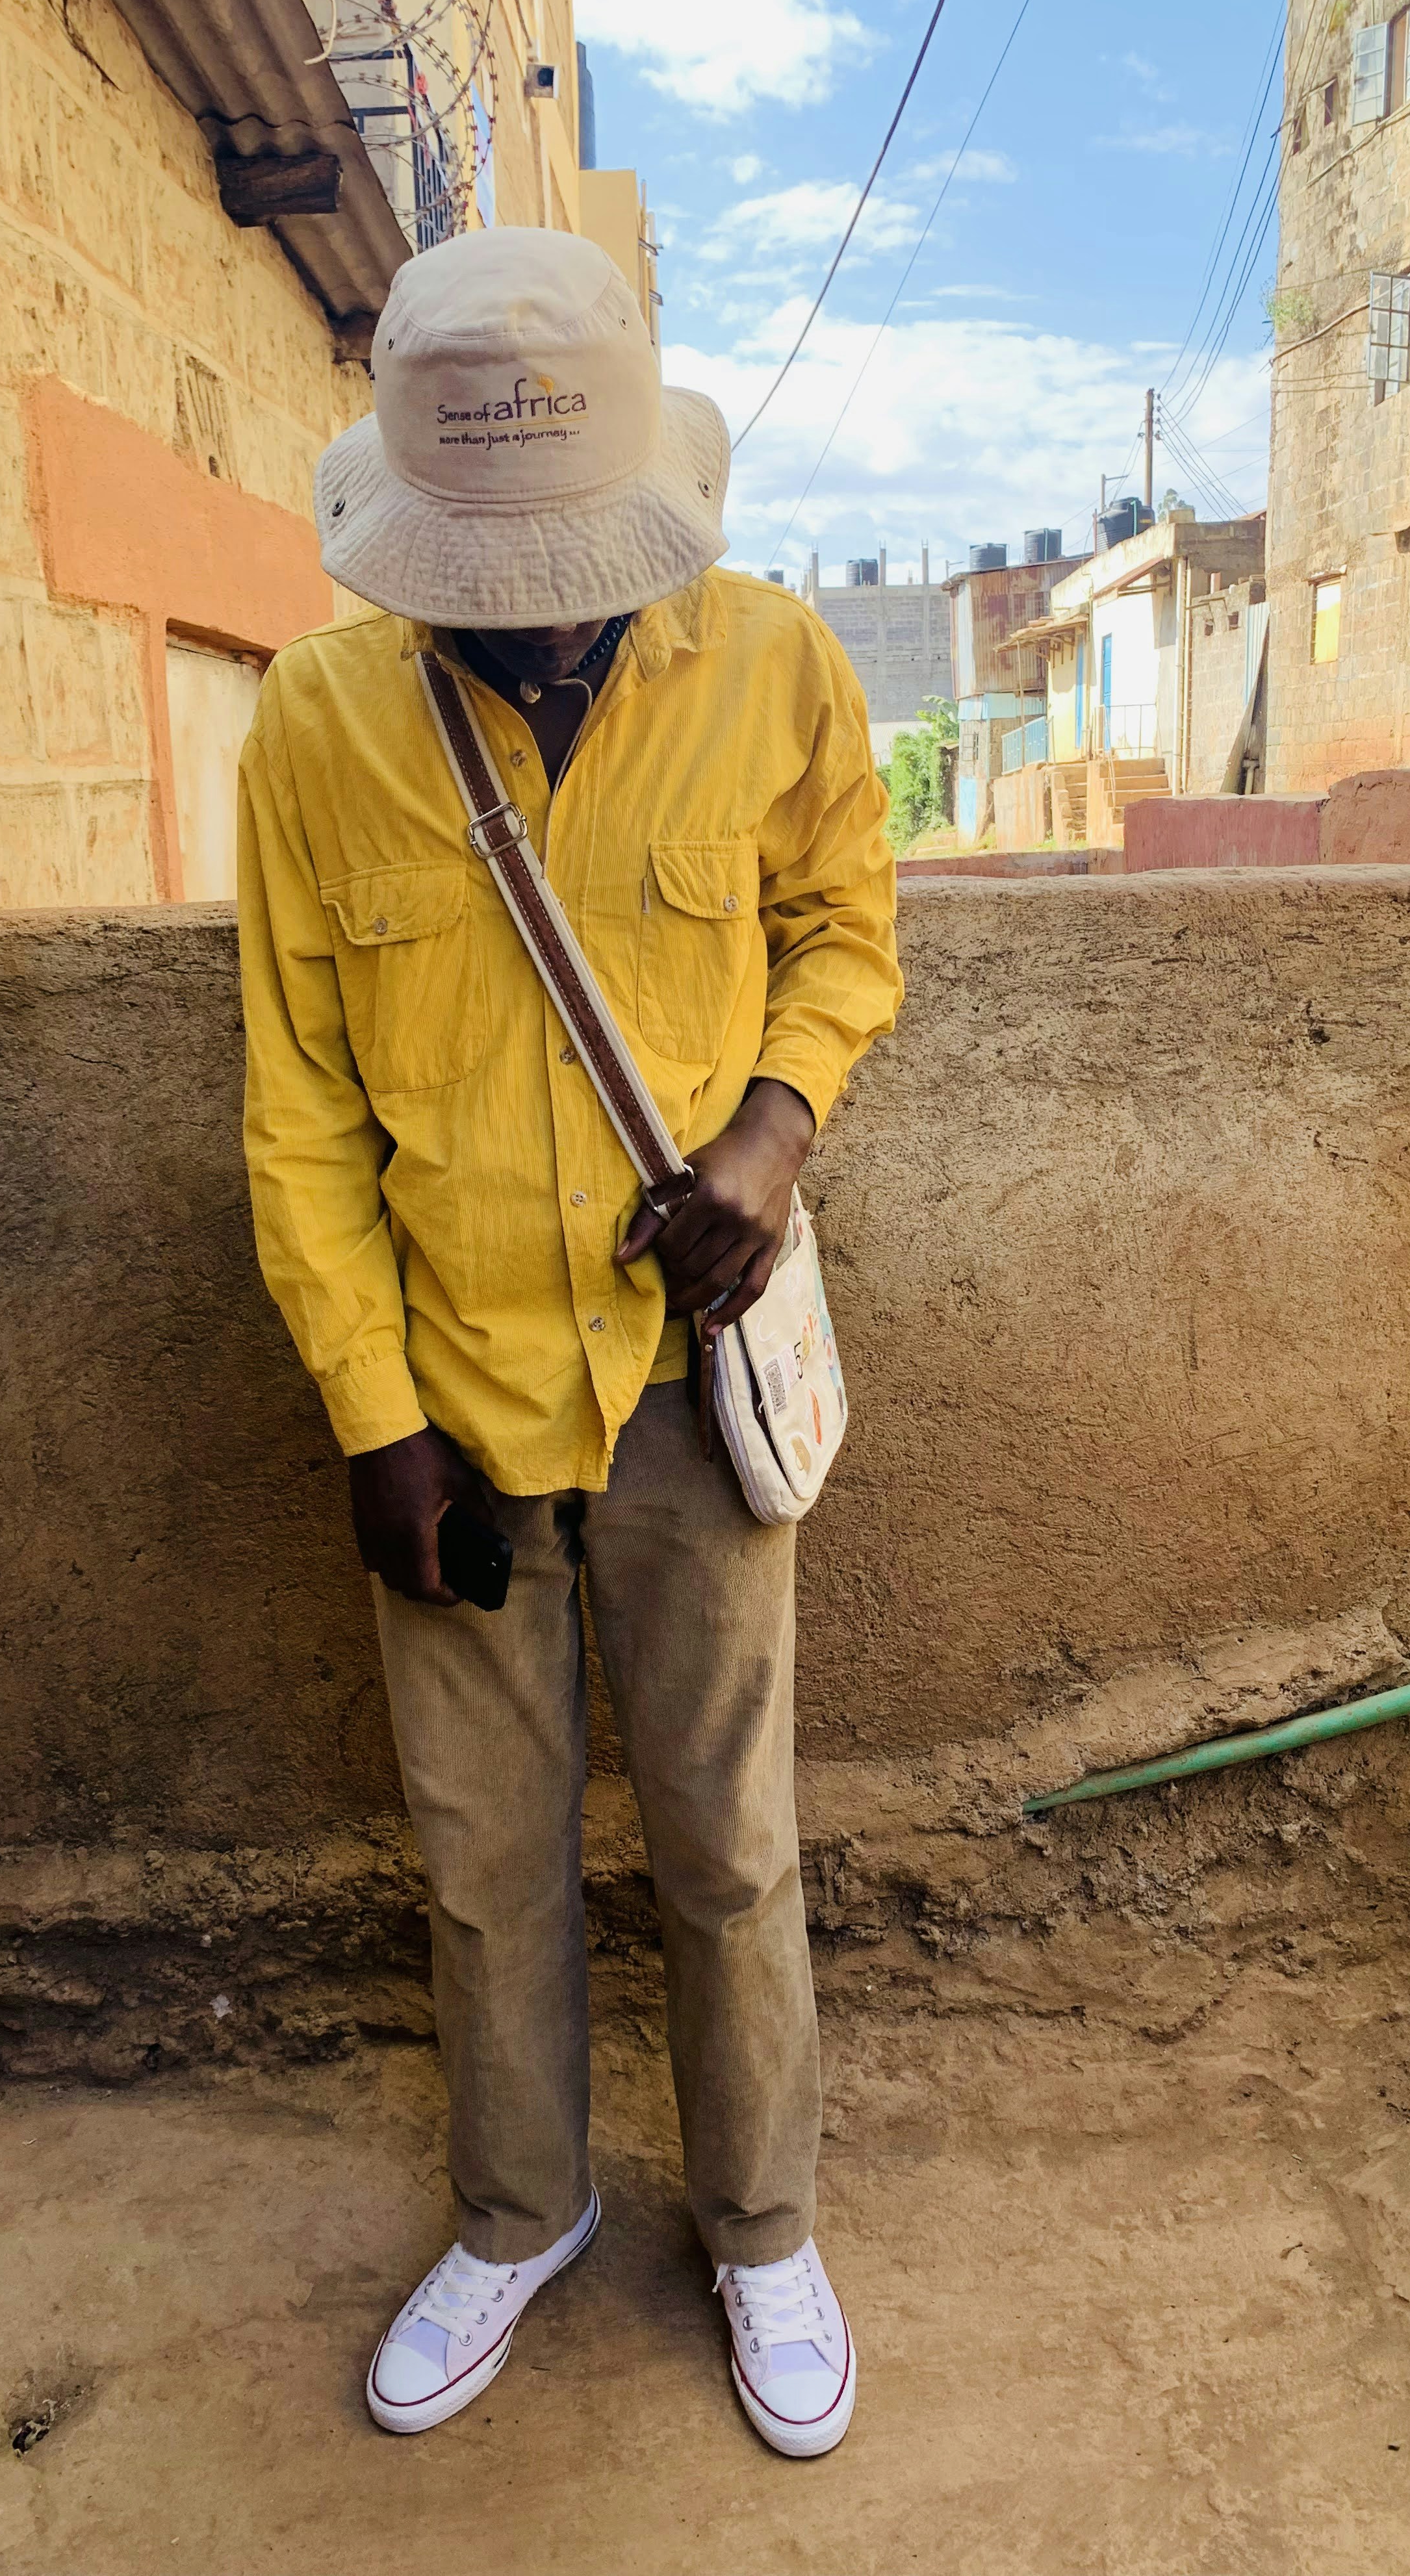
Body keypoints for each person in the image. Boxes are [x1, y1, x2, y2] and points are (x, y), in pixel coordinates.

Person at [237, 224, 902, 2458]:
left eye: (564, 553)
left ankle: (764, 2229)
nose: (527, 600)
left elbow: (849, 926)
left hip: (691, 1401)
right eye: (479, 559)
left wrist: (775, 1135)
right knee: (482, 1852)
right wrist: (370, 1413)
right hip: (449, 1408)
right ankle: (517, 2215)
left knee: (729, 1842)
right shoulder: (320, 727)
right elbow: (301, 1098)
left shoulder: (779, 666)